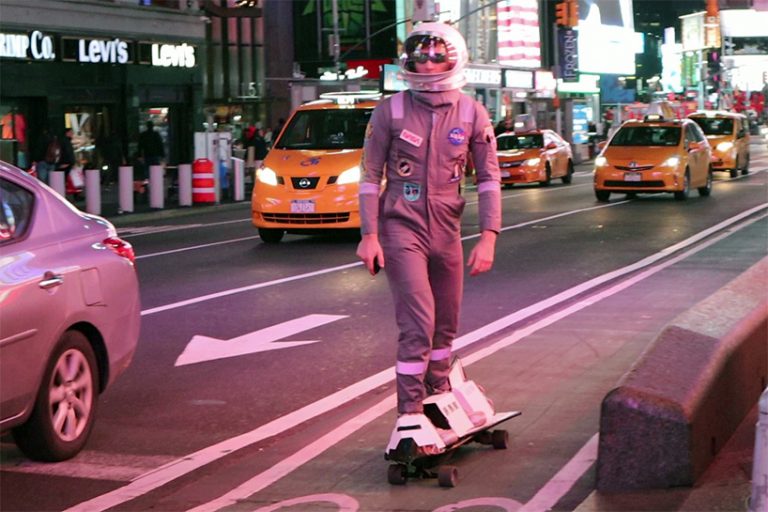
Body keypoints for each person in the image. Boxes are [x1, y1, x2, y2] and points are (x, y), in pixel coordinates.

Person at [356, 22, 501, 419]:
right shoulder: (391, 110)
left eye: (437, 55)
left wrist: (488, 236)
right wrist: (370, 235)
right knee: (418, 324)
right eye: (419, 55)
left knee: (446, 325)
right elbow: (370, 176)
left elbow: (488, 178)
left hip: (448, 229)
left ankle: (439, 393)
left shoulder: (472, 111)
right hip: (401, 228)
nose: (427, 63)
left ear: (454, 59)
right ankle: (410, 413)